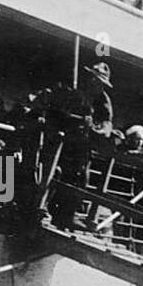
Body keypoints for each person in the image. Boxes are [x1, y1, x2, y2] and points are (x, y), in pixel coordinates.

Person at [36, 60, 116, 228]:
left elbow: (106, 125)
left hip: (84, 146)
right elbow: (59, 115)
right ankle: (46, 211)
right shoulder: (75, 94)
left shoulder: (103, 101)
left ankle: (68, 216)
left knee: (81, 179)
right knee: (57, 174)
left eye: (100, 82)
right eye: (94, 80)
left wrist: (93, 127)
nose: (96, 84)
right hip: (66, 144)